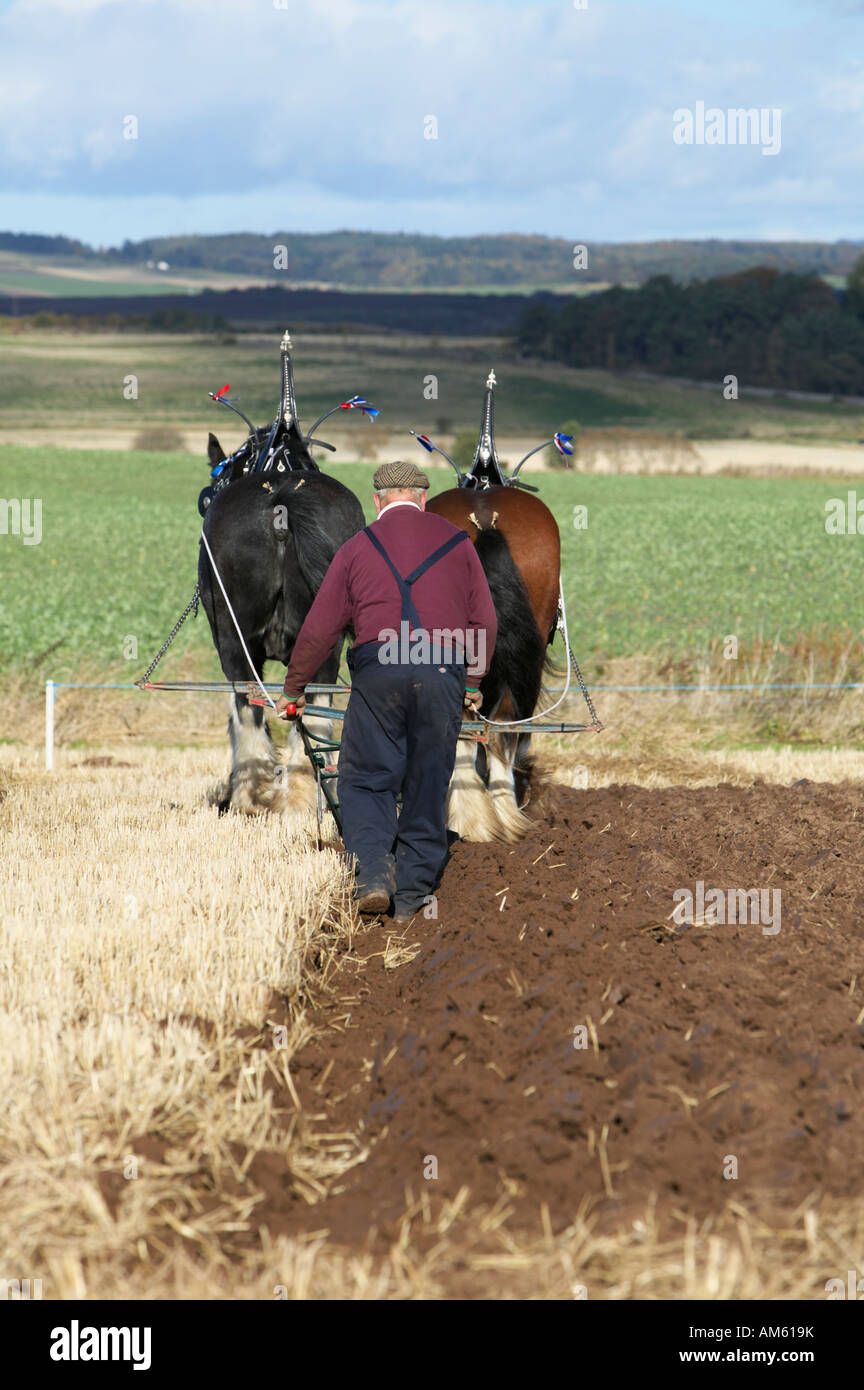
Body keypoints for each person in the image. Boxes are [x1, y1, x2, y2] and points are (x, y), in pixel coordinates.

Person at [276, 460, 497, 924]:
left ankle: (374, 872)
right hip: (441, 668)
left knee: (365, 777)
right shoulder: (458, 542)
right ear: (422, 498)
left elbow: (320, 627)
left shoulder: (358, 546)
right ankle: (414, 895)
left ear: (378, 501)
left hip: (380, 668)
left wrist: (293, 688)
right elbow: (485, 622)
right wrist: (473, 683)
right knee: (428, 778)